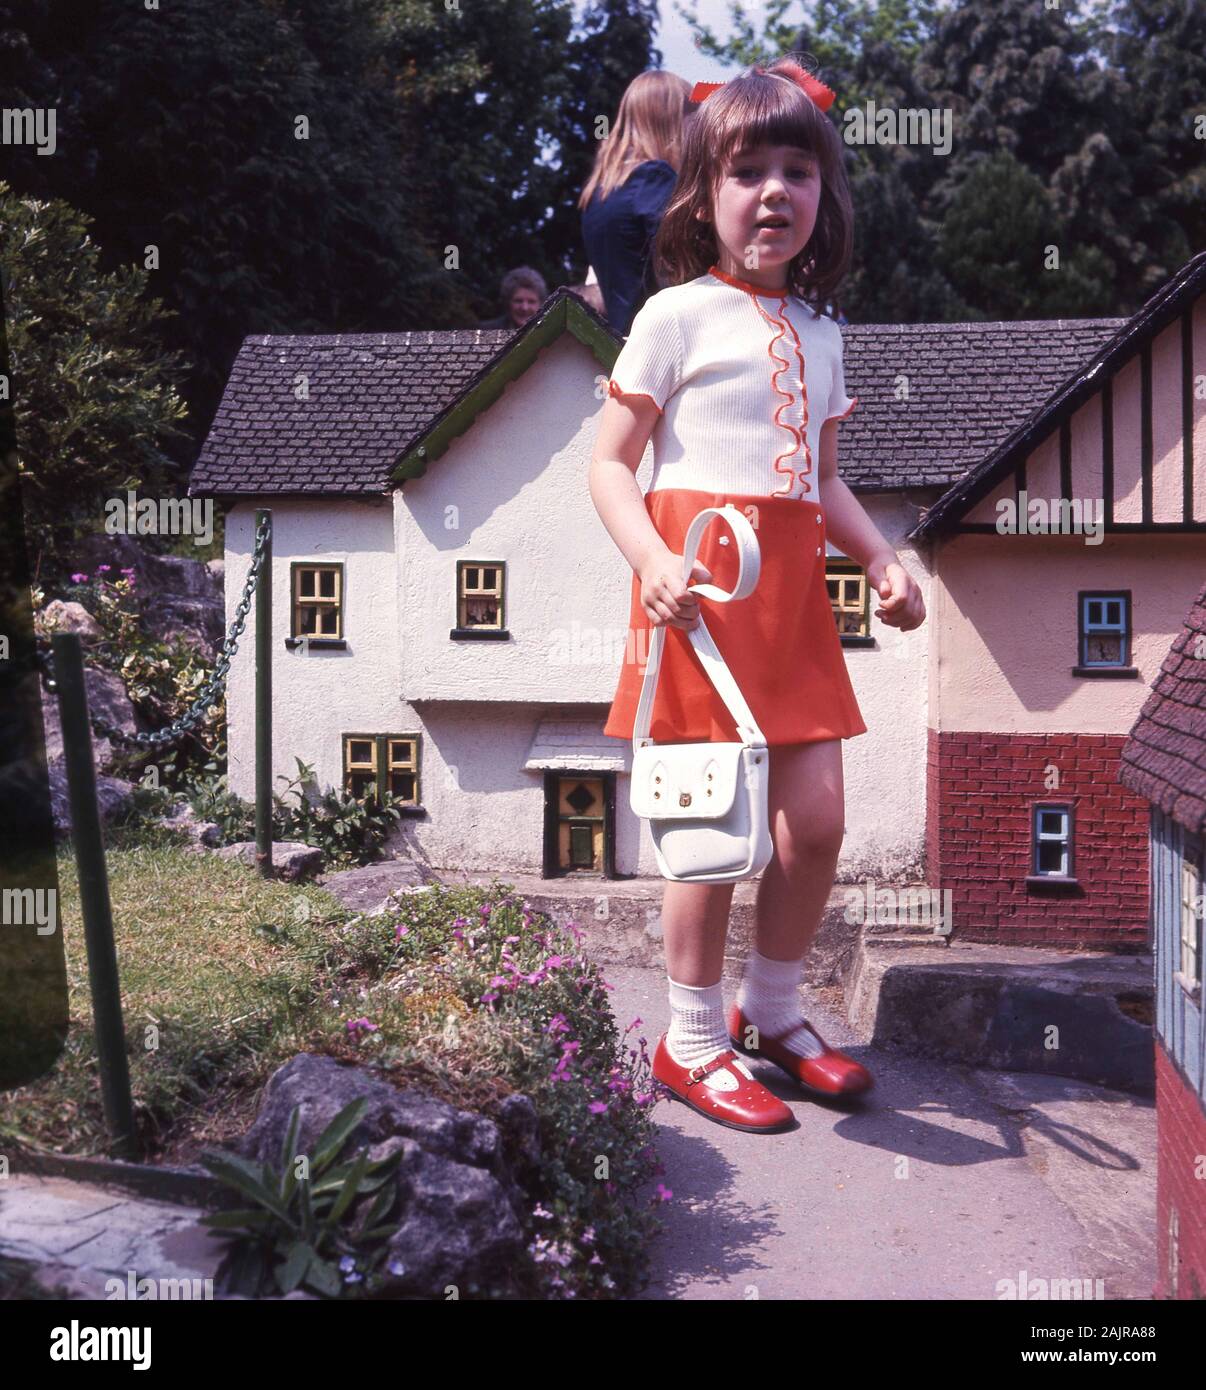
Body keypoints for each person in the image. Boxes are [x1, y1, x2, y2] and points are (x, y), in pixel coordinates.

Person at [588, 55, 925, 1134]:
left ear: (826, 197)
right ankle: (688, 1038)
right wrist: (651, 558)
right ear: (704, 194)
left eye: (798, 170)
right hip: (696, 599)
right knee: (707, 829)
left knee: (814, 822)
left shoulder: (823, 333)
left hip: (791, 607)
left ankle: (771, 1014)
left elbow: (822, 482)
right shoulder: (674, 316)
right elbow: (608, 464)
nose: (774, 191)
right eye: (747, 171)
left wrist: (878, 558)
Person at [578, 71, 692, 336]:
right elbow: (680, 266)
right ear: (670, 119)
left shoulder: (599, 191)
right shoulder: (655, 178)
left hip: (624, 336)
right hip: (663, 338)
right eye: (691, 113)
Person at [479, 267, 548, 329]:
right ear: (507, 302)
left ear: (541, 304)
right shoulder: (485, 330)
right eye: (518, 301)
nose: (524, 308)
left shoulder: (550, 333)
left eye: (531, 302)